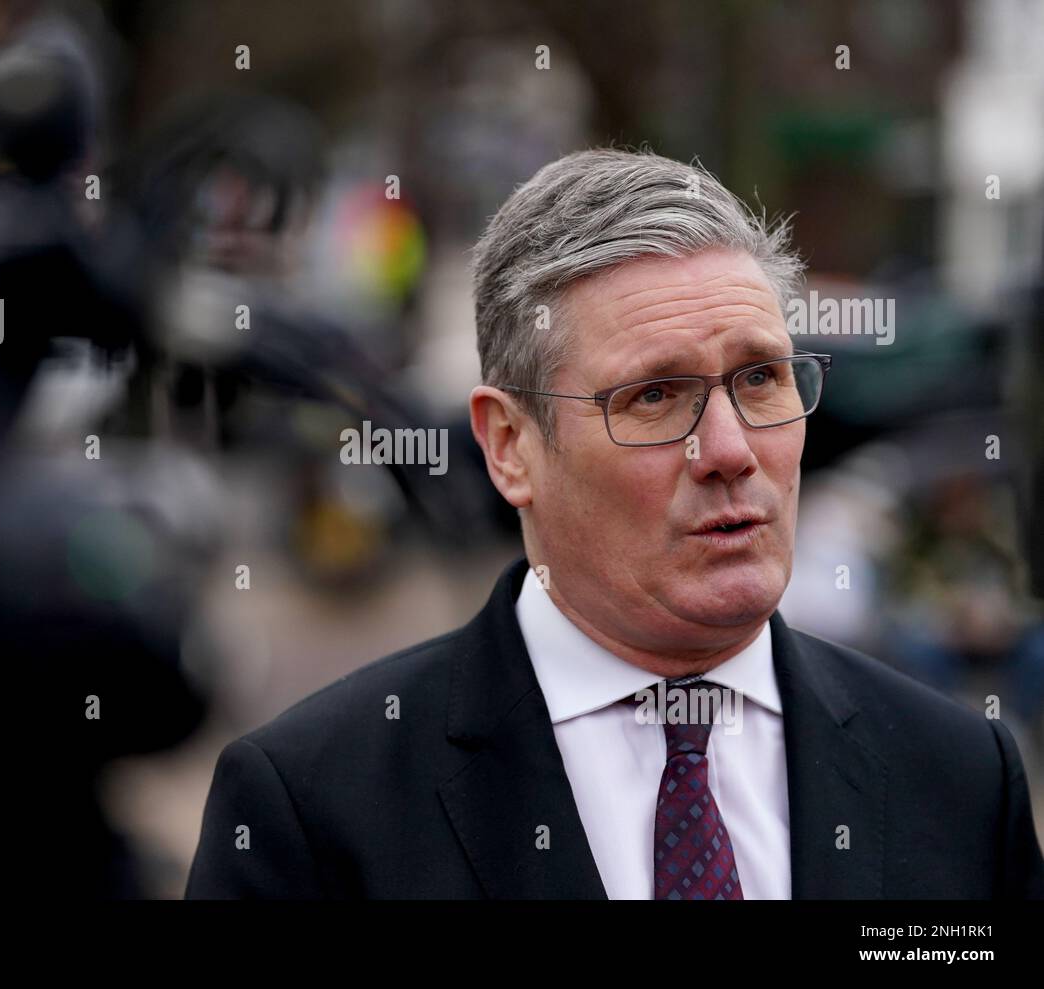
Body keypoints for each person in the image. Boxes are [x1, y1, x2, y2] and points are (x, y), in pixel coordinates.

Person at [184, 147, 1044, 898]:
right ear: (511, 444)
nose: (729, 450)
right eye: (655, 395)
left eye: (760, 379)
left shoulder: (962, 778)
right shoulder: (312, 806)